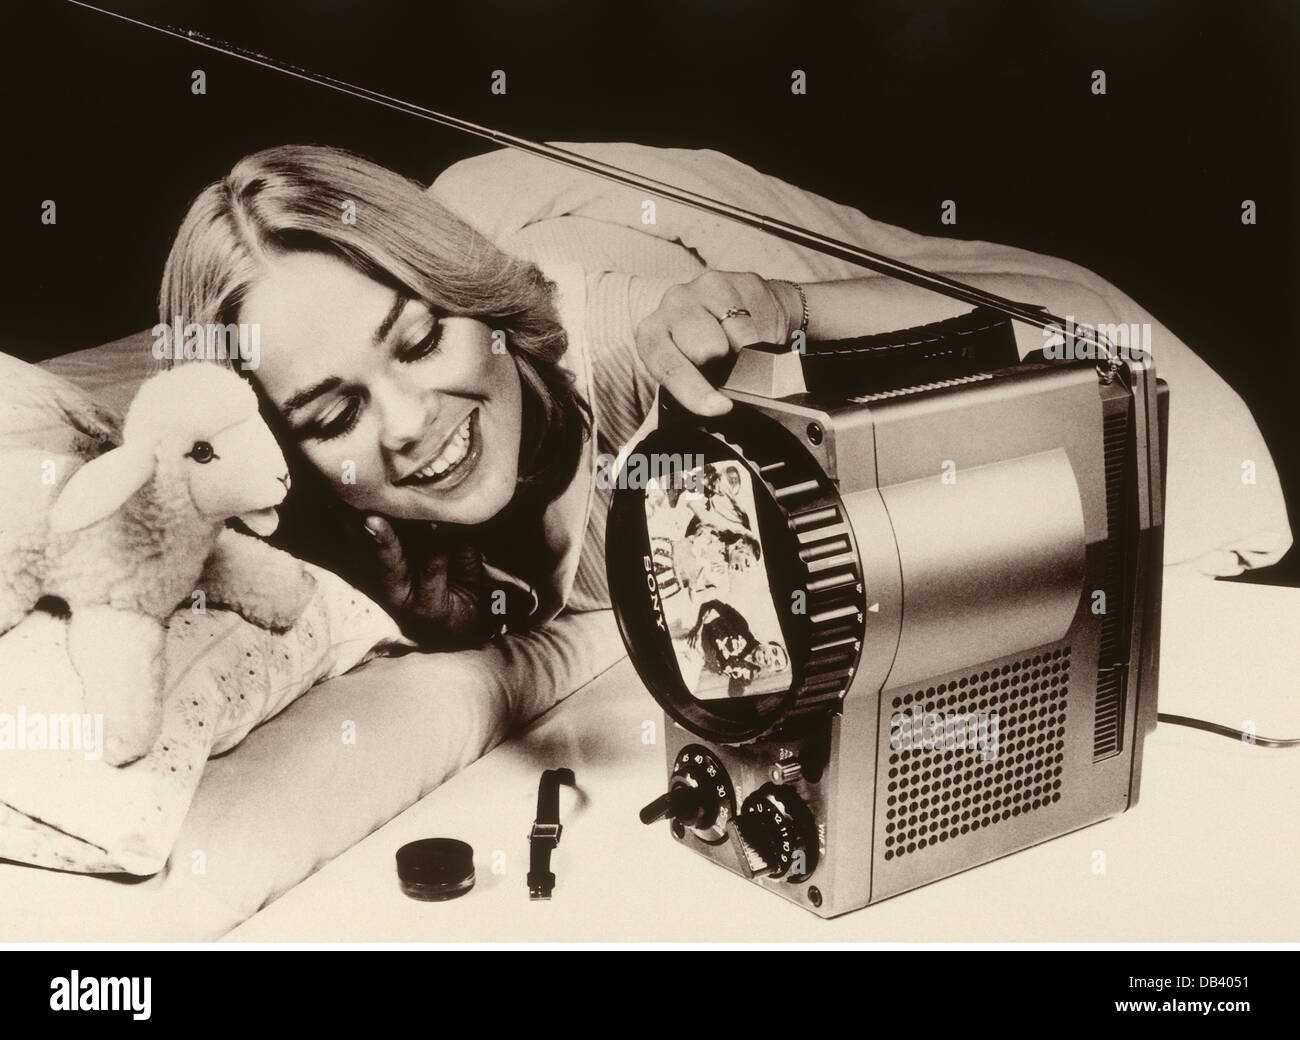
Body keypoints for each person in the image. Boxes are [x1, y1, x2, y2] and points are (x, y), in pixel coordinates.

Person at [156, 143, 941, 645]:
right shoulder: (341, 555)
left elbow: (1061, 323)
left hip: (589, 235)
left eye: (423, 341)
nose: (408, 423)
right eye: (335, 416)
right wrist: (456, 627)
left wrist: (787, 308)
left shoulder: (649, 350)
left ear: (478, 305)